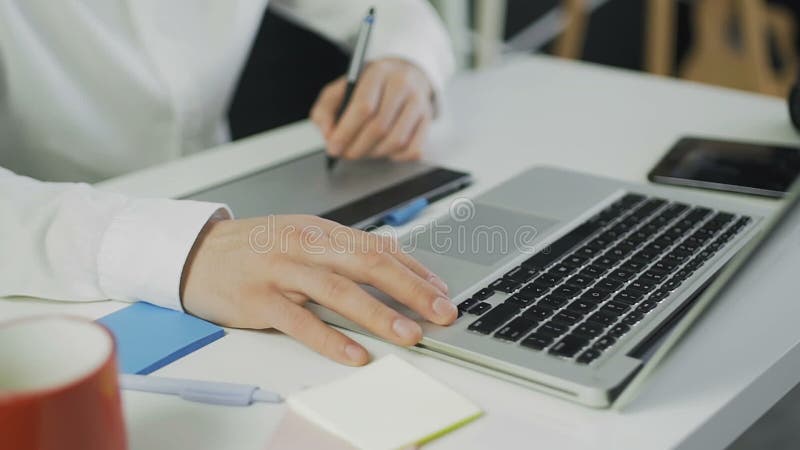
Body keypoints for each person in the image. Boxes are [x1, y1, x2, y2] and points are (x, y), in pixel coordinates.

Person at [0, 0, 457, 366]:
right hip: (51, 261)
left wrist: (406, 64)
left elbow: (392, 11)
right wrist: (187, 250)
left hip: (235, 208)